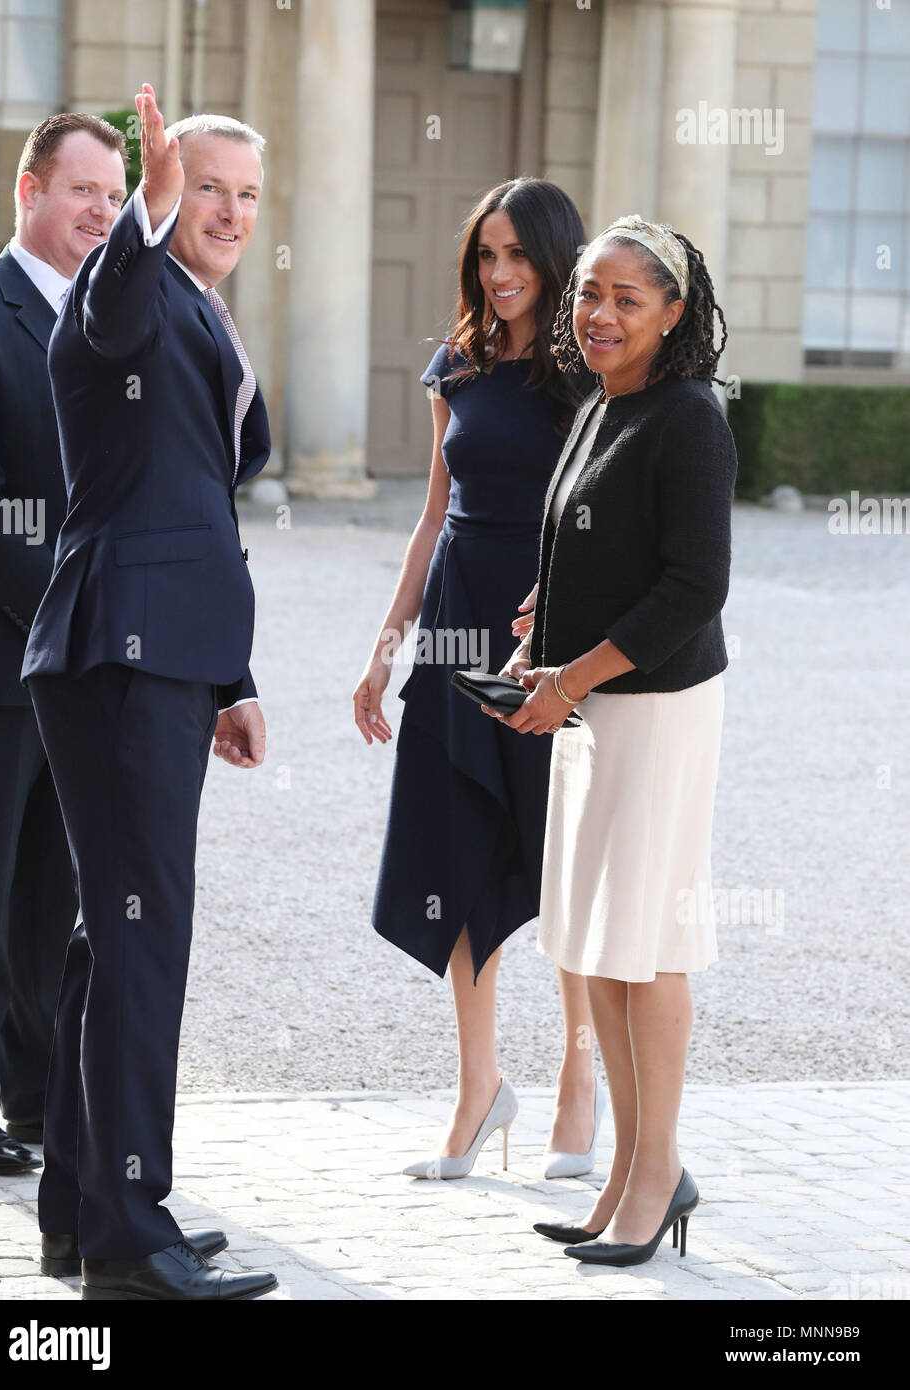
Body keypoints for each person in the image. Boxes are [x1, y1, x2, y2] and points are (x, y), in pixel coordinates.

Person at [21, 84, 276, 1301]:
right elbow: (107, 307)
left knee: (106, 938)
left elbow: (198, 504)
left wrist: (232, 676)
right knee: (141, 939)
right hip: (119, 653)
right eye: (205, 186)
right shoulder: (121, 297)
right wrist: (146, 208)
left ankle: (84, 1205)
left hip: (166, 657)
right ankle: (130, 1235)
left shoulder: (198, 311)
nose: (226, 211)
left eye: (244, 196)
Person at [355, 178, 609, 1180]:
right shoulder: (457, 361)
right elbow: (431, 514)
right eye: (485, 257)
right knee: (458, 853)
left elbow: (611, 514)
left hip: (551, 635)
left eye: (517, 256)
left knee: (562, 864)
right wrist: (384, 650)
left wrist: (564, 602)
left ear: (554, 257)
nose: (500, 275)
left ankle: (580, 1085)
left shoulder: (591, 365)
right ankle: (478, 1091)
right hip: (460, 627)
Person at [494, 214, 736, 1265]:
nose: (599, 314)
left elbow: (693, 584)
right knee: (594, 952)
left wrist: (574, 674)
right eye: (591, 293)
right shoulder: (602, 404)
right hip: (589, 702)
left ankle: (653, 1178)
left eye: (627, 299)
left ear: (673, 314)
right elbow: (596, 546)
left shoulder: (690, 417)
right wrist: (537, 630)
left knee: (648, 950)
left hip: (654, 710)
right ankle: (641, 1171)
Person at [0, 114, 127, 1177]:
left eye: (114, 197)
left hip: (85, 669)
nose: (101, 213)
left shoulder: (116, 322)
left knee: (52, 900)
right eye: (83, 192)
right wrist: (67, 613)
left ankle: (34, 1095)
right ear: (29, 192)